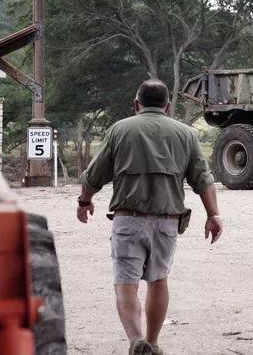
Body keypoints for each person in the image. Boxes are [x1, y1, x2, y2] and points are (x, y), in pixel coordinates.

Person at [77, 79, 222, 355]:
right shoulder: (186, 134)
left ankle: (135, 340)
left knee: (125, 283)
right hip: (166, 221)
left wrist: (85, 201)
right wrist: (213, 215)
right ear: (167, 106)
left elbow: (94, 175)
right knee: (158, 280)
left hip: (128, 220)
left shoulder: (120, 130)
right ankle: (153, 343)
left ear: (136, 104)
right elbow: (203, 180)